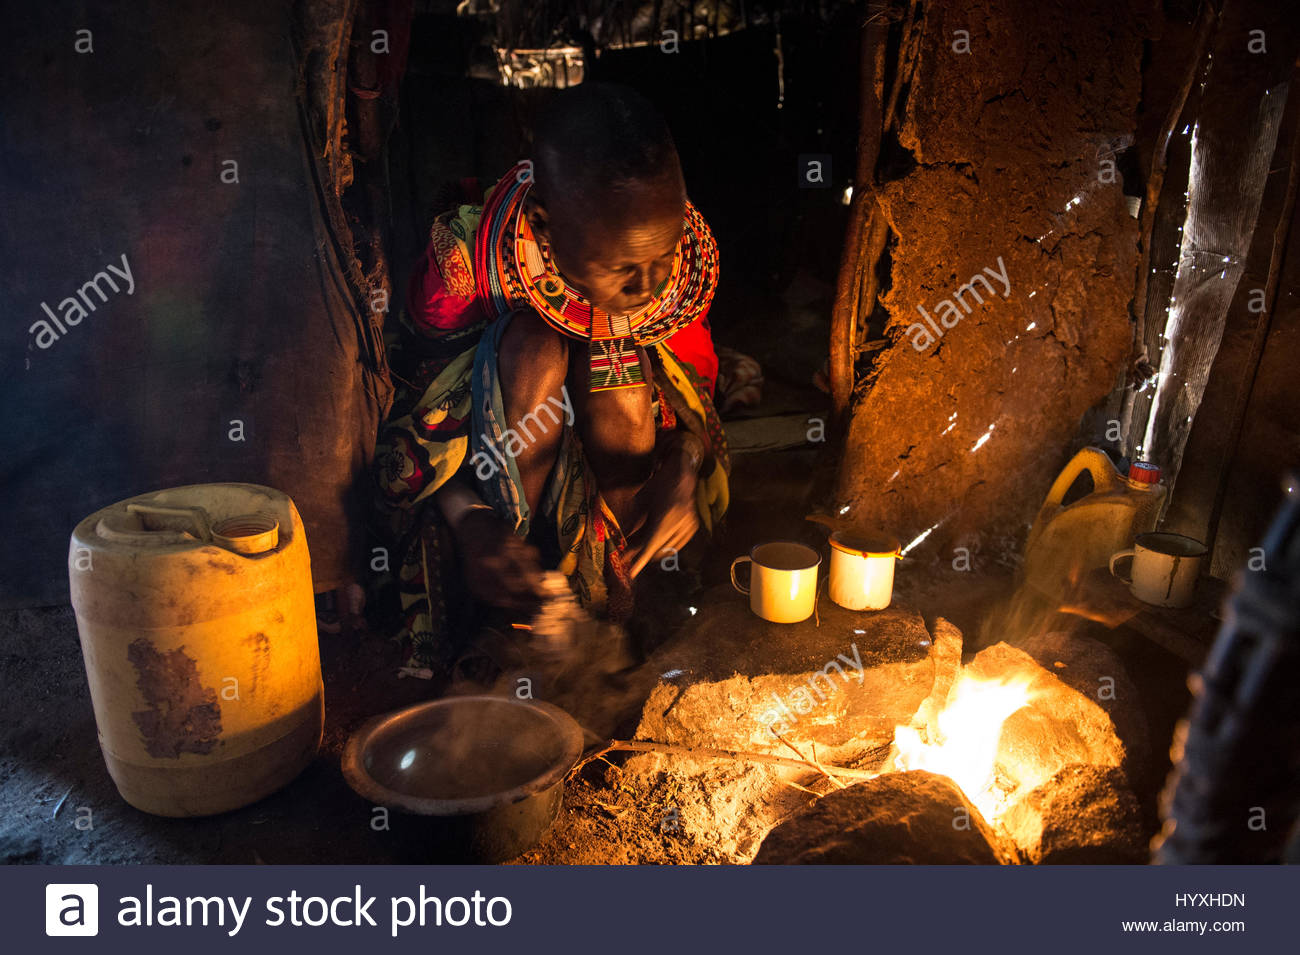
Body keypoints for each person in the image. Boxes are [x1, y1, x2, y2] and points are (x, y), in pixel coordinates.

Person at [375, 83, 729, 673]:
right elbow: (418, 419)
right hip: (496, 471)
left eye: (660, 257)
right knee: (536, 345)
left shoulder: (679, 273)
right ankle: (512, 596)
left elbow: (693, 393)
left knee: (615, 355)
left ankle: (608, 599)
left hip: (609, 467)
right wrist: (472, 522)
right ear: (543, 220)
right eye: (622, 267)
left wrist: (682, 465)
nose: (648, 286)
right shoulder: (469, 266)